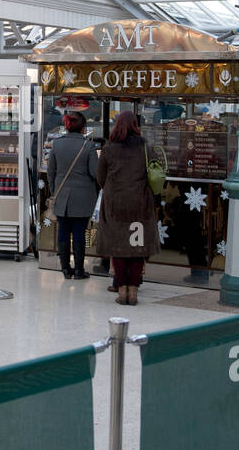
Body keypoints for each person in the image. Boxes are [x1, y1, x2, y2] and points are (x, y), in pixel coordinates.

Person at [96, 110, 160, 306]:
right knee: (137, 248)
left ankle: (121, 290)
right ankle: (133, 292)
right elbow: (155, 173)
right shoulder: (146, 148)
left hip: (115, 203)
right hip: (140, 203)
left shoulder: (108, 149)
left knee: (118, 247)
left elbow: (100, 177)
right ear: (135, 125)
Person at [47, 111, 100, 280]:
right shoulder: (89, 146)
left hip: (61, 194)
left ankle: (64, 268)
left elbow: (51, 172)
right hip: (83, 196)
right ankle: (78, 270)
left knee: (63, 230)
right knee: (79, 231)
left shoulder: (56, 144)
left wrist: (54, 191)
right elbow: (95, 173)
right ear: (83, 128)